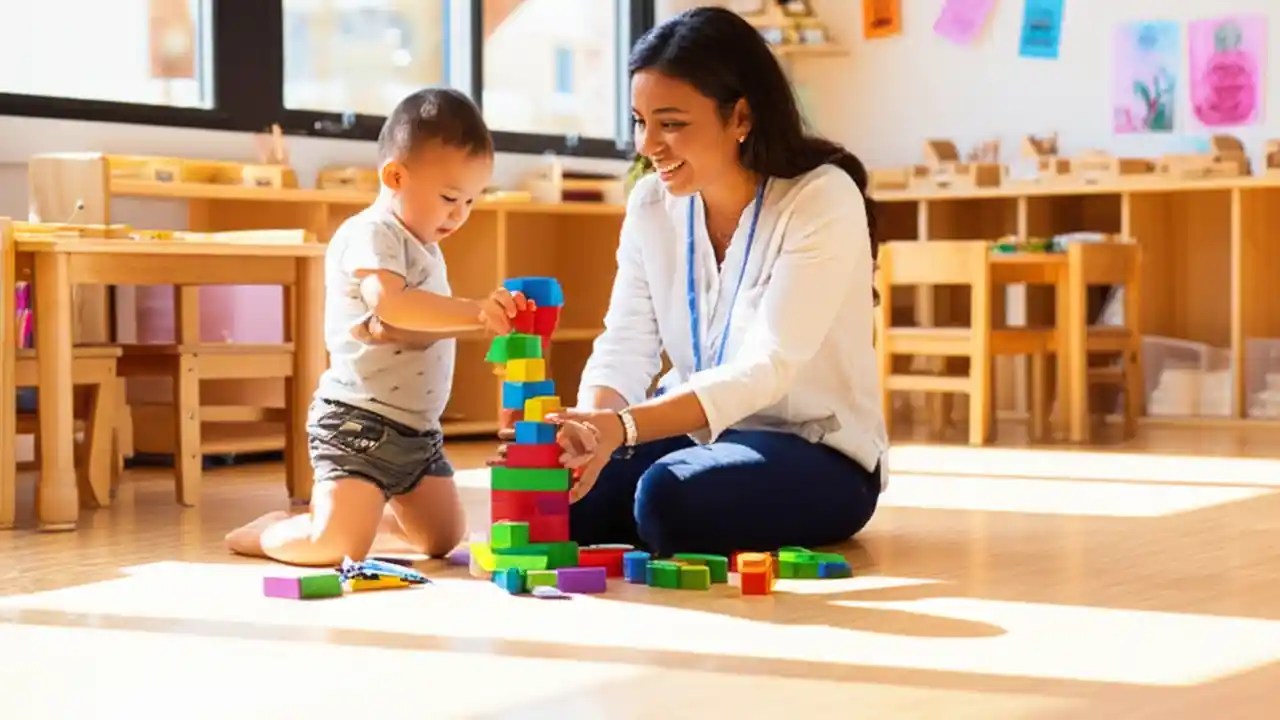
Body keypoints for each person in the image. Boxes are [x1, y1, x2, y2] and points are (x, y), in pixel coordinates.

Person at [548, 7, 887, 558]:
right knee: (565, 502)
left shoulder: (821, 198)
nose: (647, 144)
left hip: (814, 449)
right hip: (699, 436)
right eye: (640, 121)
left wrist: (625, 428)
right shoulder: (651, 205)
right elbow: (626, 342)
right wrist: (593, 428)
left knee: (667, 500)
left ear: (742, 117)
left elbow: (767, 366)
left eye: (672, 123)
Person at [226, 87, 532, 566]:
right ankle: (271, 534)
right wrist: (474, 312)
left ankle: (357, 522)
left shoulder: (425, 243)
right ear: (395, 175)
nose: (460, 214)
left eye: (471, 201)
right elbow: (390, 305)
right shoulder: (372, 233)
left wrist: (486, 324)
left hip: (418, 435)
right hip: (356, 425)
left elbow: (406, 329)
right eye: (450, 197)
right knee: (334, 549)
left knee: (440, 540)